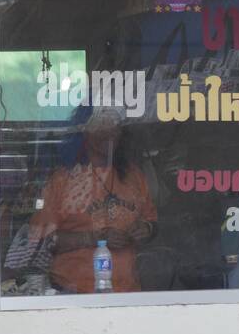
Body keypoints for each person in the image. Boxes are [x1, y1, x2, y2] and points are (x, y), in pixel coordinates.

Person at [24, 105, 157, 293]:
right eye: (101, 123)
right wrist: (94, 238)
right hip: (73, 293)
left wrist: (146, 229)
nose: (108, 130)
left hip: (128, 294)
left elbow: (152, 222)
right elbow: (41, 241)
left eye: (114, 124)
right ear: (84, 131)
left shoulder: (134, 176)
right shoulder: (63, 181)